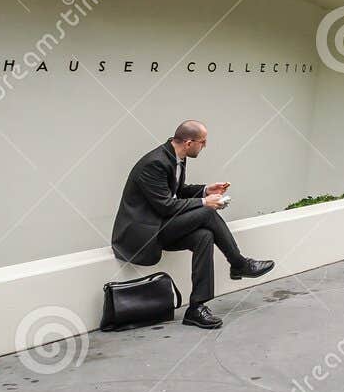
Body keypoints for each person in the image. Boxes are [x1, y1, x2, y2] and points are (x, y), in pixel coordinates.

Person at [111, 120, 275, 330]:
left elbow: (176, 192)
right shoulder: (154, 163)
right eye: (203, 142)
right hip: (143, 235)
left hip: (160, 225)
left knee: (204, 236)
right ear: (189, 143)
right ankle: (239, 263)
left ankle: (196, 308)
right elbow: (166, 205)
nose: (204, 146)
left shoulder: (177, 158)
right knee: (207, 214)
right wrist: (206, 202)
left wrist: (206, 190)